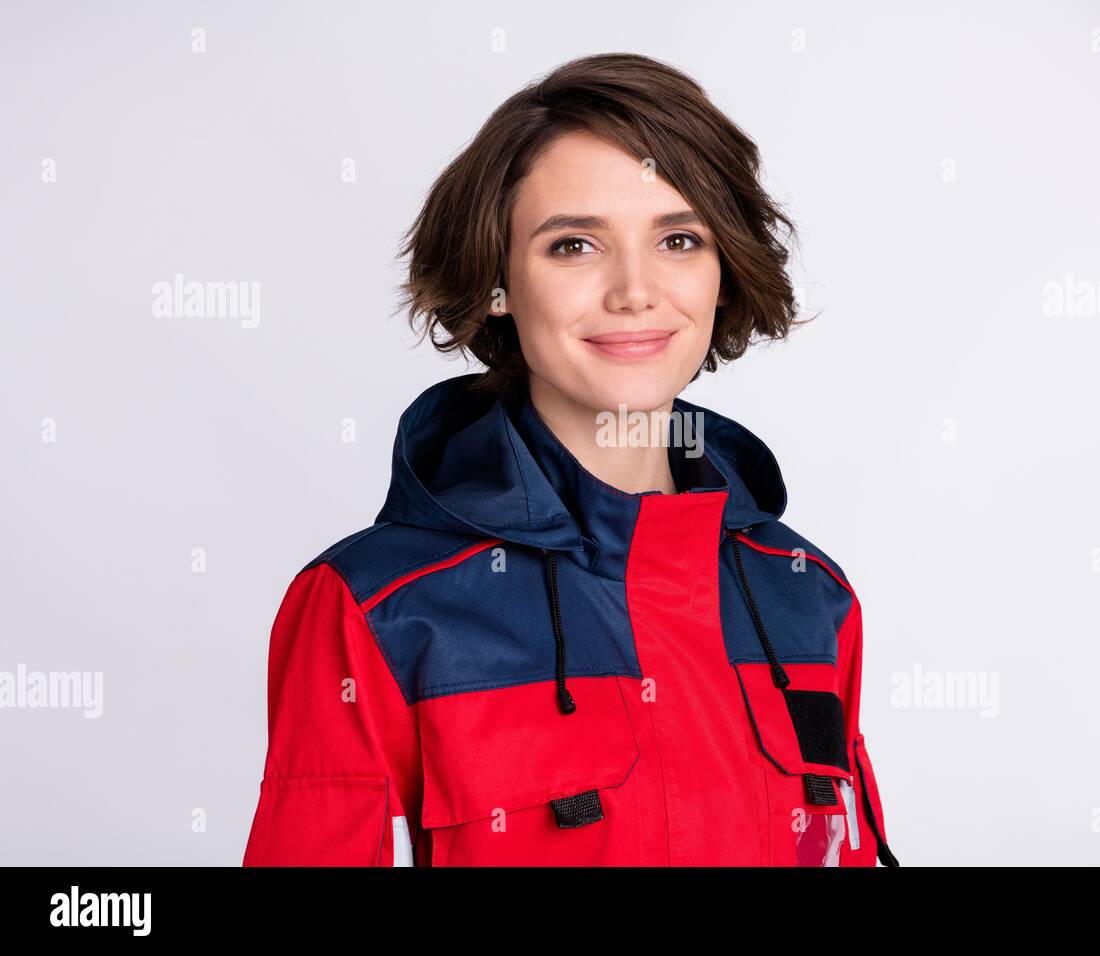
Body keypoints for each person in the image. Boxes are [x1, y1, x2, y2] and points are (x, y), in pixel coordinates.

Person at [242, 51, 898, 867]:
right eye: (575, 246)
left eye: (679, 239)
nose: (634, 290)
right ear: (497, 283)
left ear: (724, 272)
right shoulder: (372, 612)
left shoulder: (808, 596)